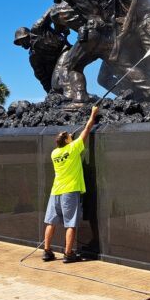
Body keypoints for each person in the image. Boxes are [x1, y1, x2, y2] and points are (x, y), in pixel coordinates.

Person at [42, 105, 99, 263]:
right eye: (68, 136)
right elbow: (86, 130)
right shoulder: (73, 148)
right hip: (70, 191)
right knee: (70, 224)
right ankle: (68, 254)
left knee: (51, 222)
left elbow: (65, 146)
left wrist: (68, 140)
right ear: (67, 141)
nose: (70, 136)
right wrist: (93, 114)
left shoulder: (55, 153)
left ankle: (47, 252)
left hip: (56, 192)